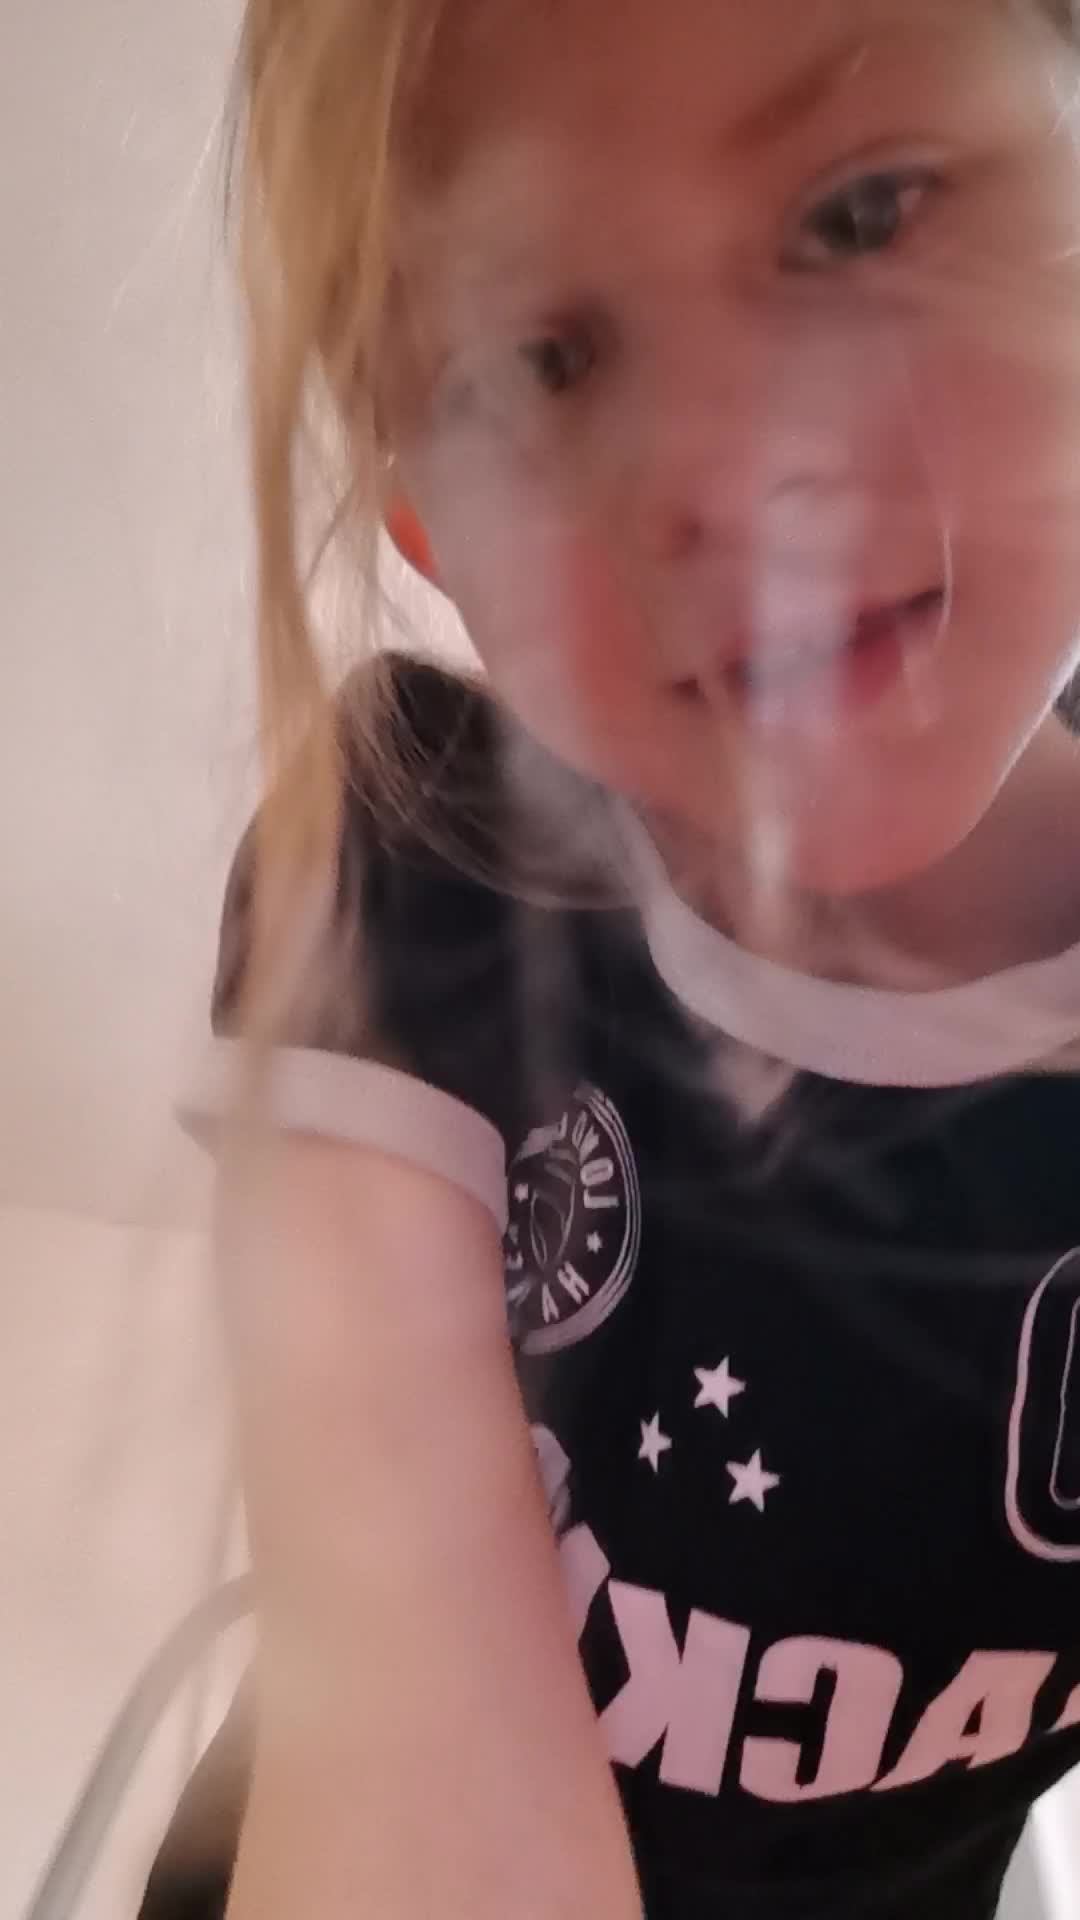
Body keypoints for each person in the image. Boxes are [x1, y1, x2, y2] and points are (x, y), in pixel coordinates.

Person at [143, 1, 1080, 1915]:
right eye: (538, 358)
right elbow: (413, 1806)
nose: (731, 471)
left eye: (863, 210)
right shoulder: (410, 868)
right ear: (424, 523)